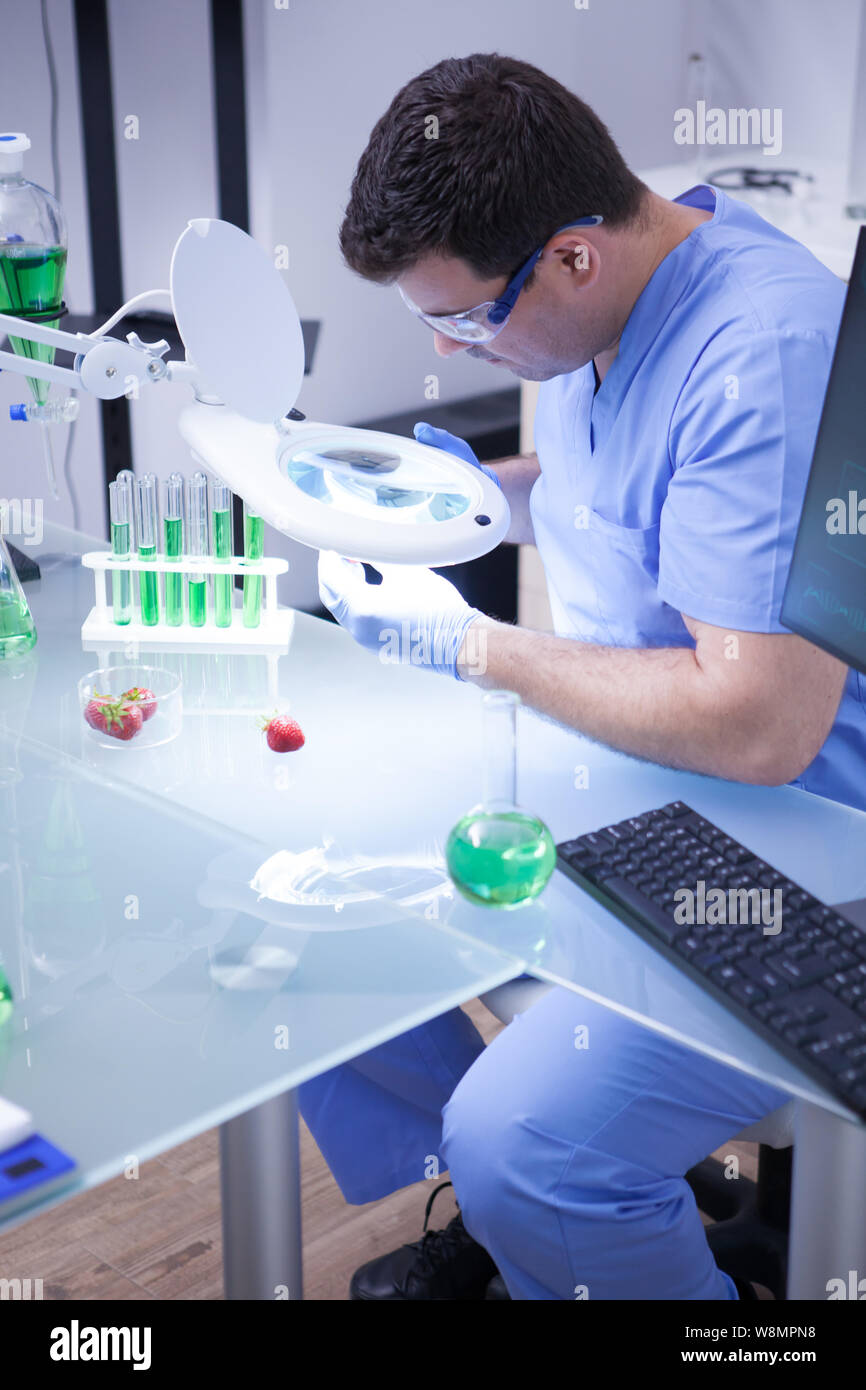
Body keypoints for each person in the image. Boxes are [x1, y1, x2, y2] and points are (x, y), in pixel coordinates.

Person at [302, 53, 865, 1300]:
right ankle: (572, 1214)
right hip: (628, 799)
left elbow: (758, 723)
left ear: (569, 255)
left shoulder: (759, 352)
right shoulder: (604, 298)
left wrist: (467, 644)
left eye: (463, 318)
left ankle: (557, 1195)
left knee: (528, 1145)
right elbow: (610, 495)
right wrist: (441, 502)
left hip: (792, 868)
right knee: (301, 903)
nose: (459, 347)